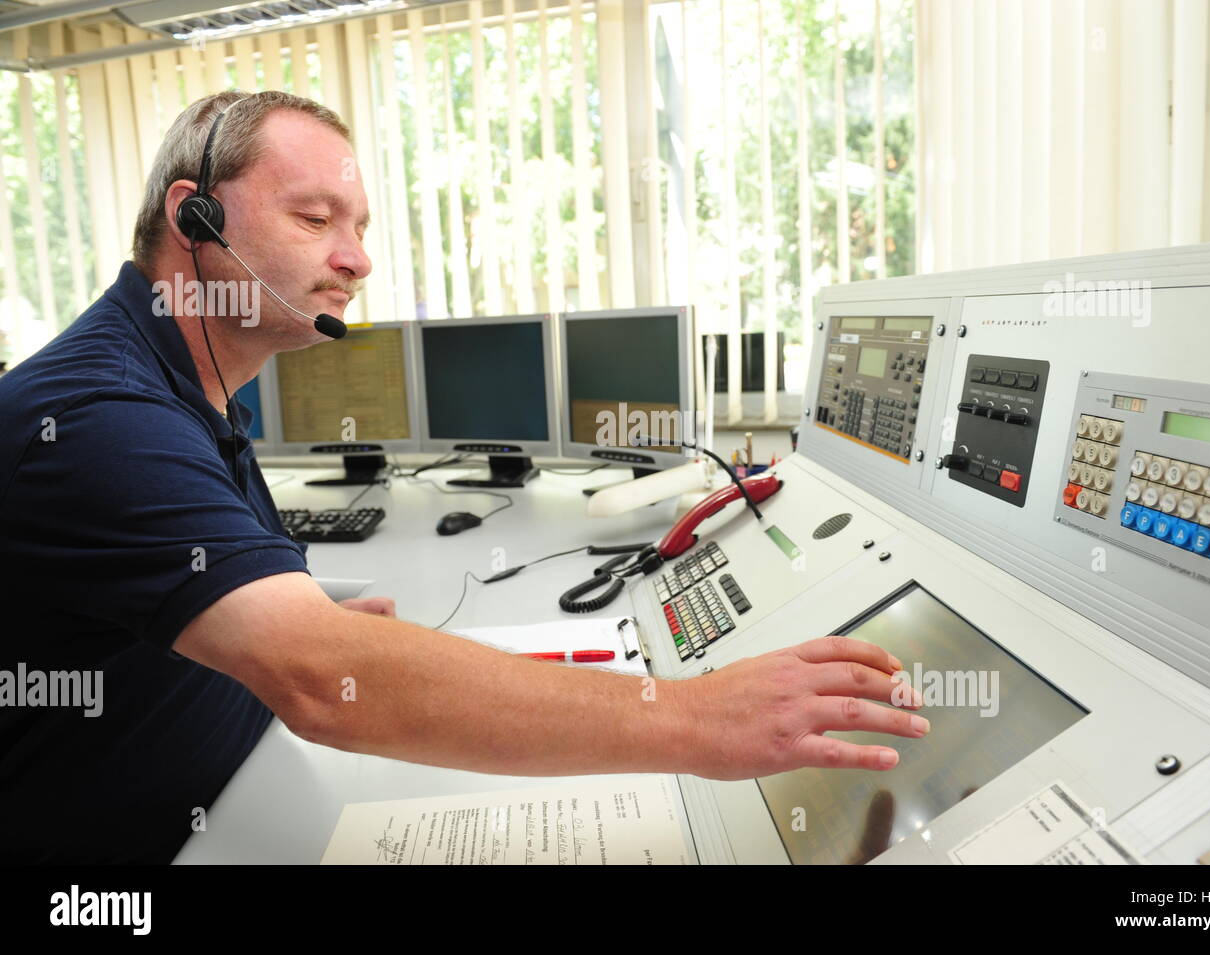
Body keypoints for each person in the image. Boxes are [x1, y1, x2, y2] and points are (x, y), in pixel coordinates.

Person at [0, 90, 928, 864]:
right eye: (314, 218)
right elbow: (327, 683)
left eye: (358, 226)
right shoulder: (100, 418)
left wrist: (280, 629)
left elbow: (240, 636)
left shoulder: (199, 390)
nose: (357, 258)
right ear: (193, 219)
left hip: (239, 794)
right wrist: (695, 716)